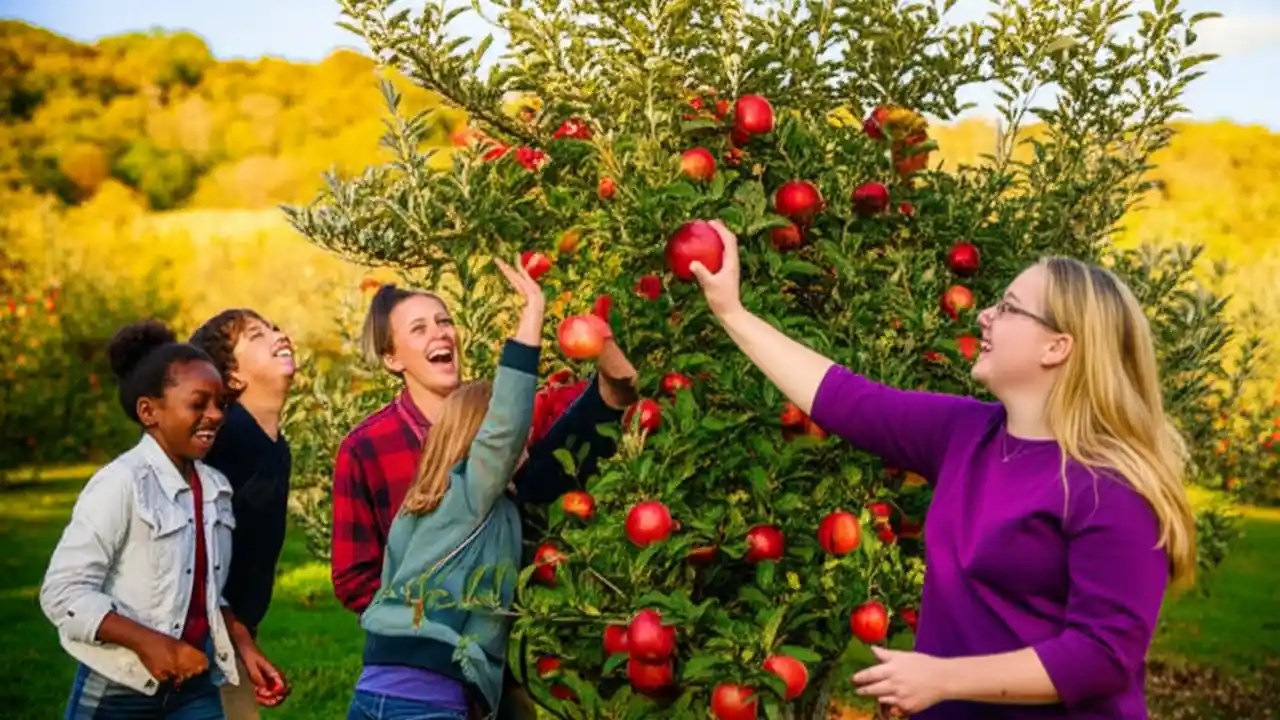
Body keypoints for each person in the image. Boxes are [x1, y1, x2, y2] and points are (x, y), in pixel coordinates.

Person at [687, 221, 1196, 719]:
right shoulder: (967, 433)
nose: (985, 316)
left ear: (1057, 346)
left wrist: (941, 678)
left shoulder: (1110, 486)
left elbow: (1101, 656)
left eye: (1010, 308)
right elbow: (844, 399)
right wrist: (731, 312)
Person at [331, 285, 637, 616]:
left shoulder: (502, 416)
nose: (441, 334)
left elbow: (598, 410)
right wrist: (424, 620)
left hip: (515, 625)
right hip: (426, 646)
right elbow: (354, 578)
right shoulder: (367, 449)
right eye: (419, 329)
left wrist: (596, 337)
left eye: (444, 322)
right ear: (391, 357)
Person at [40, 320, 284, 719]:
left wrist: (244, 646)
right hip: (120, 688)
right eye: (198, 403)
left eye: (220, 403)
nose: (215, 415)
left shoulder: (216, 488)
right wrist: (151, 644)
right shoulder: (121, 484)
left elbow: (204, 588)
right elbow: (63, 592)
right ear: (149, 411)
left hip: (196, 688)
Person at [349, 257, 550, 719]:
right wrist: (532, 313)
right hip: (427, 693)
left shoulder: (419, 504)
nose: (525, 437)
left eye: (443, 321)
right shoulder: (471, 495)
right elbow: (505, 428)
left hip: (374, 680)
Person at [190, 309, 296, 716]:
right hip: (196, 629)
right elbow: (196, 554)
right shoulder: (225, 439)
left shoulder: (273, 445)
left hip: (229, 629)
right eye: (256, 335)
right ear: (232, 378)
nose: (278, 334)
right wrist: (239, 638)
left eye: (274, 326)